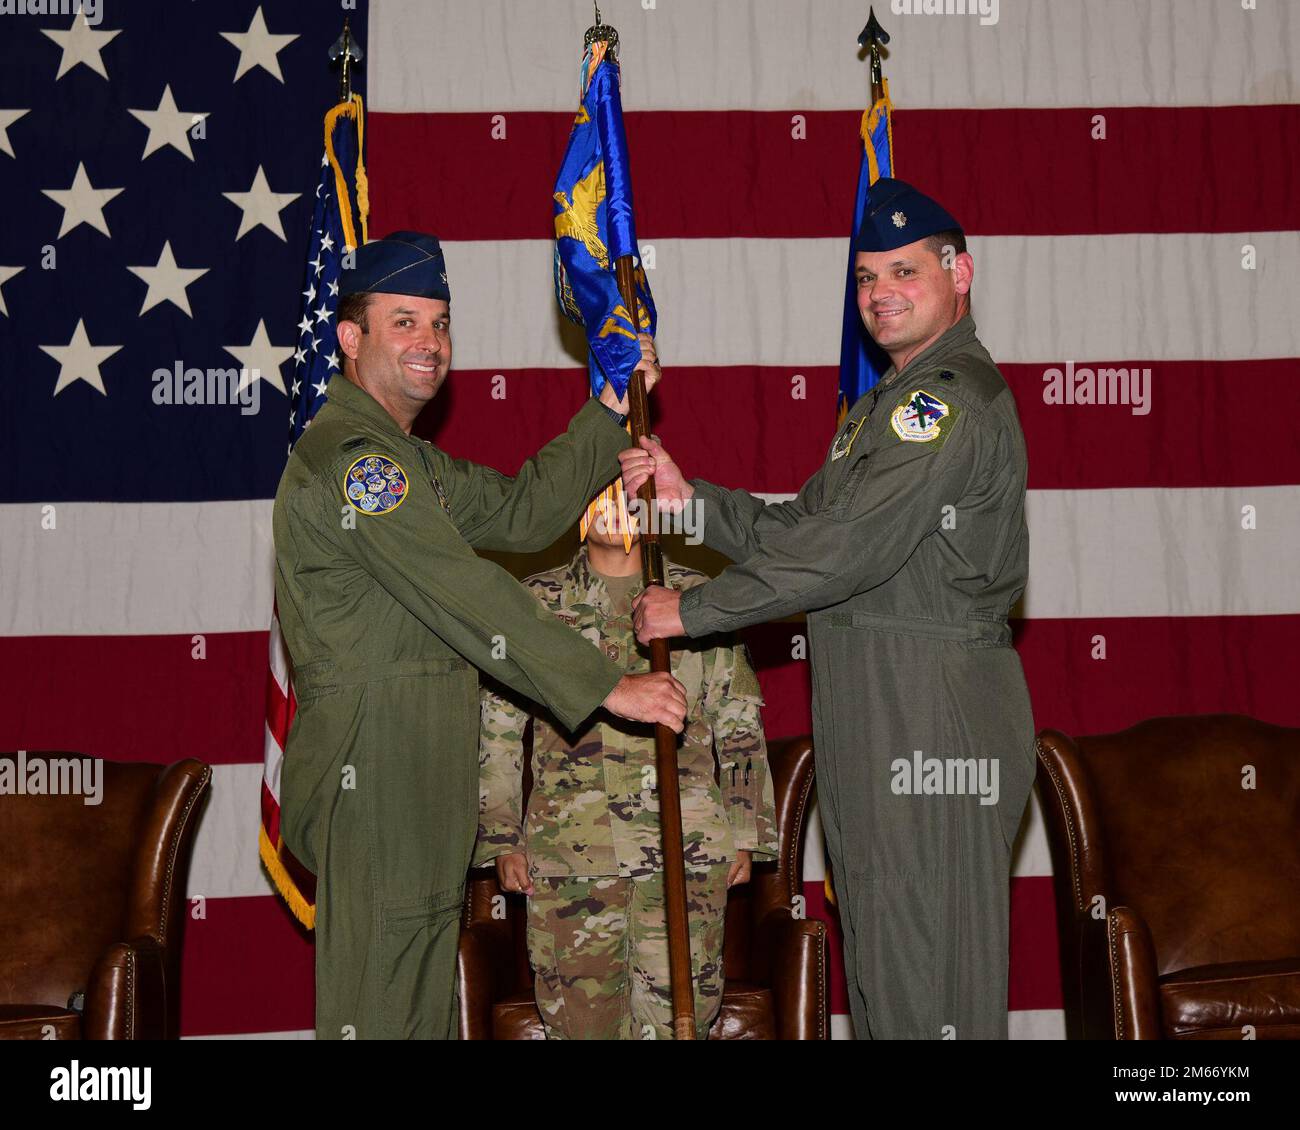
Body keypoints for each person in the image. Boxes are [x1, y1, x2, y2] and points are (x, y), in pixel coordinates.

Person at [622, 180, 1036, 1040]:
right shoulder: (882, 408)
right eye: (866, 277)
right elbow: (802, 529)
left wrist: (693, 611)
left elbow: (846, 550)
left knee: (929, 985)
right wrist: (690, 504)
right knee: (888, 975)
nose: (881, 292)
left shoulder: (945, 402)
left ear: (960, 274)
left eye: (905, 271)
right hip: (878, 709)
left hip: (931, 714)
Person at [272, 231, 687, 1040]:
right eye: (403, 321)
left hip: (418, 767)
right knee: (382, 1012)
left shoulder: (406, 461)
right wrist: (608, 684)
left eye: (439, 322)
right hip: (375, 768)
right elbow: (467, 591)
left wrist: (609, 407)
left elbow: (523, 513)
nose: (429, 341)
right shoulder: (358, 464)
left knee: (418, 1015)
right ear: (350, 337)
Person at [475, 487, 778, 1039]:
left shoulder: (699, 598)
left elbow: (738, 724)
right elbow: (497, 732)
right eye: (599, 494)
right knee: (581, 1024)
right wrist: (502, 839)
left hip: (684, 848)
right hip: (572, 851)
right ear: (577, 507)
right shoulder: (533, 603)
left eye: (626, 494)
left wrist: (743, 831)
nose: (614, 507)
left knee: (681, 1021)